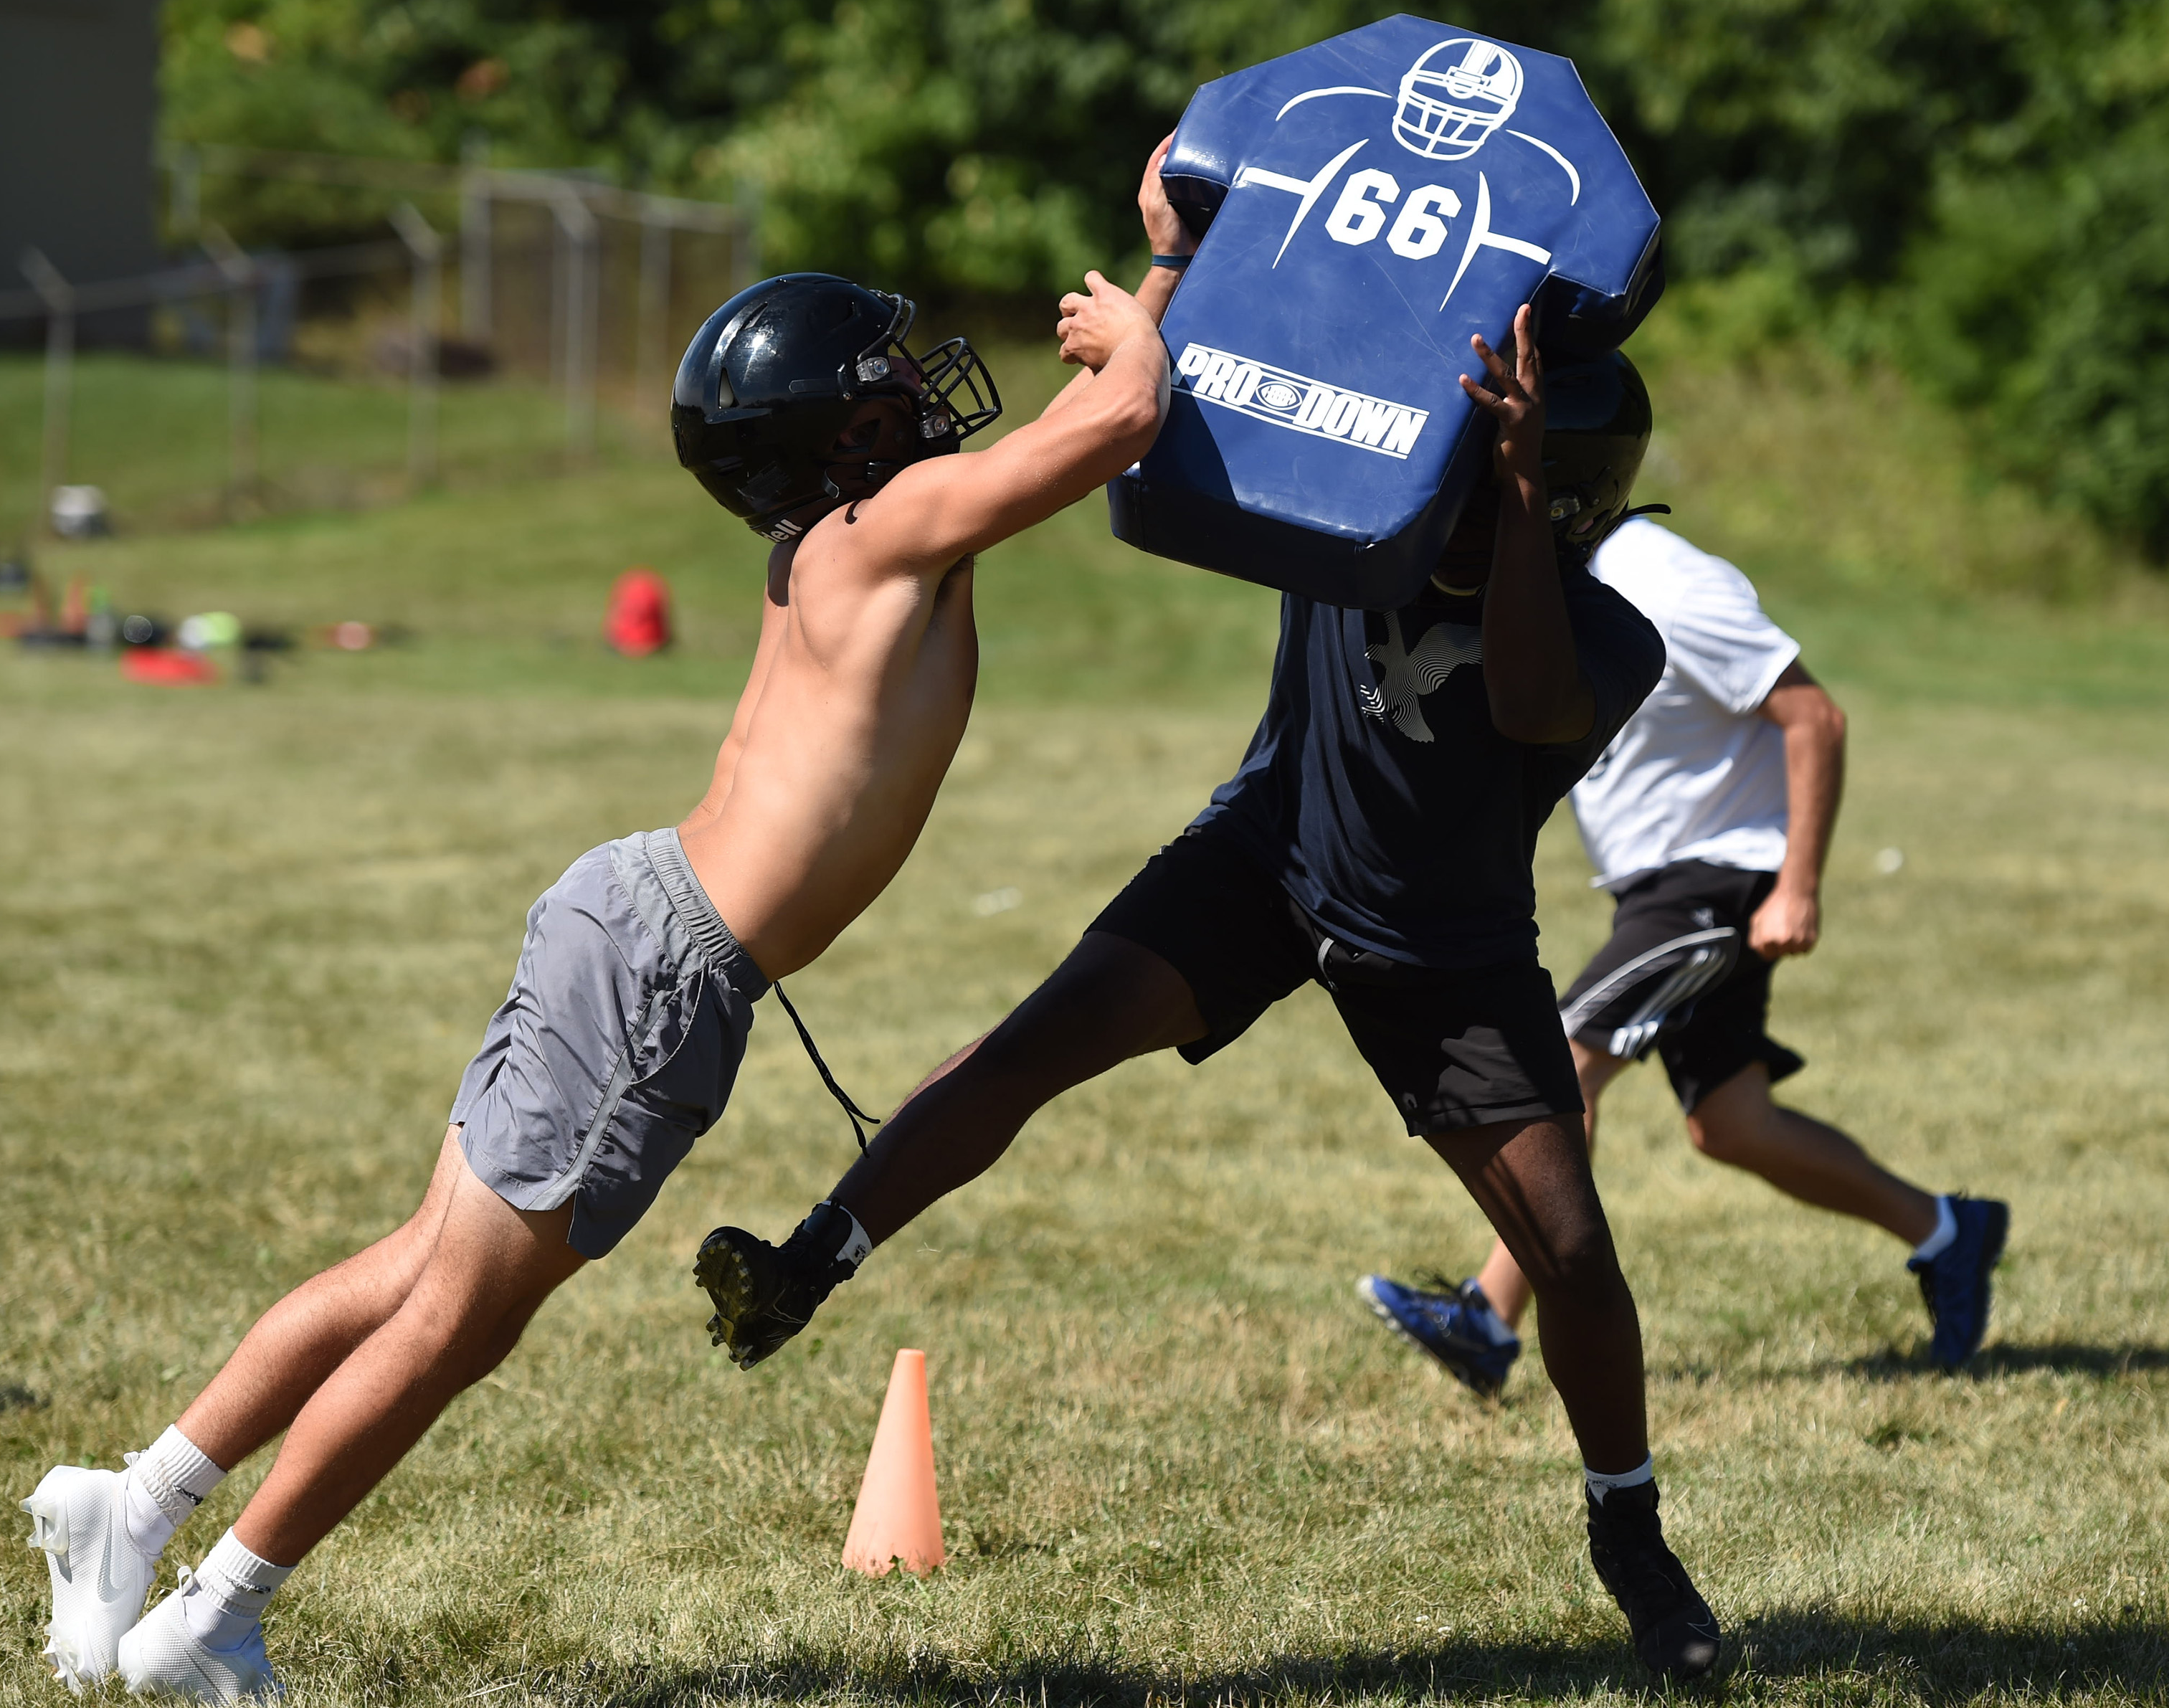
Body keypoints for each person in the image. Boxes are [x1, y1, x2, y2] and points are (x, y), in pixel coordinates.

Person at [18, 261, 1170, 1702]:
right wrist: (1138, 330)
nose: (918, 389)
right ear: (841, 434)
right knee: (458, 1320)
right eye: (886, 378)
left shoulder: (868, 532)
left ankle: (128, 1507)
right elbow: (1122, 414)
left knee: (417, 1268)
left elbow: (1077, 427)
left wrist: (1167, 257)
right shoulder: (893, 531)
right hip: (656, 975)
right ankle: (212, 1614)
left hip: (625, 920)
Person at [696, 152, 1724, 1681]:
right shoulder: (1354, 510)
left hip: (1438, 943)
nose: (1430, 471)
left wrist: (1508, 504)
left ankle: (1626, 1527)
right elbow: (1215, 400)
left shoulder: (1599, 624)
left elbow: (1524, 695)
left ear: (1552, 498)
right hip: (1264, 858)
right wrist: (1181, 251)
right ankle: (808, 1259)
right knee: (1024, 1051)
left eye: (1485, 464)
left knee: (1567, 1249)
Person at [1357, 518, 2009, 1397]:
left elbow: (1813, 716)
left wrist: (1797, 884)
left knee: (1555, 1068)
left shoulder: (1663, 578)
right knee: (1731, 1124)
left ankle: (1485, 1319)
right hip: (1658, 886)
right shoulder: (1564, 584)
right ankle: (1944, 1230)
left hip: (1720, 879)